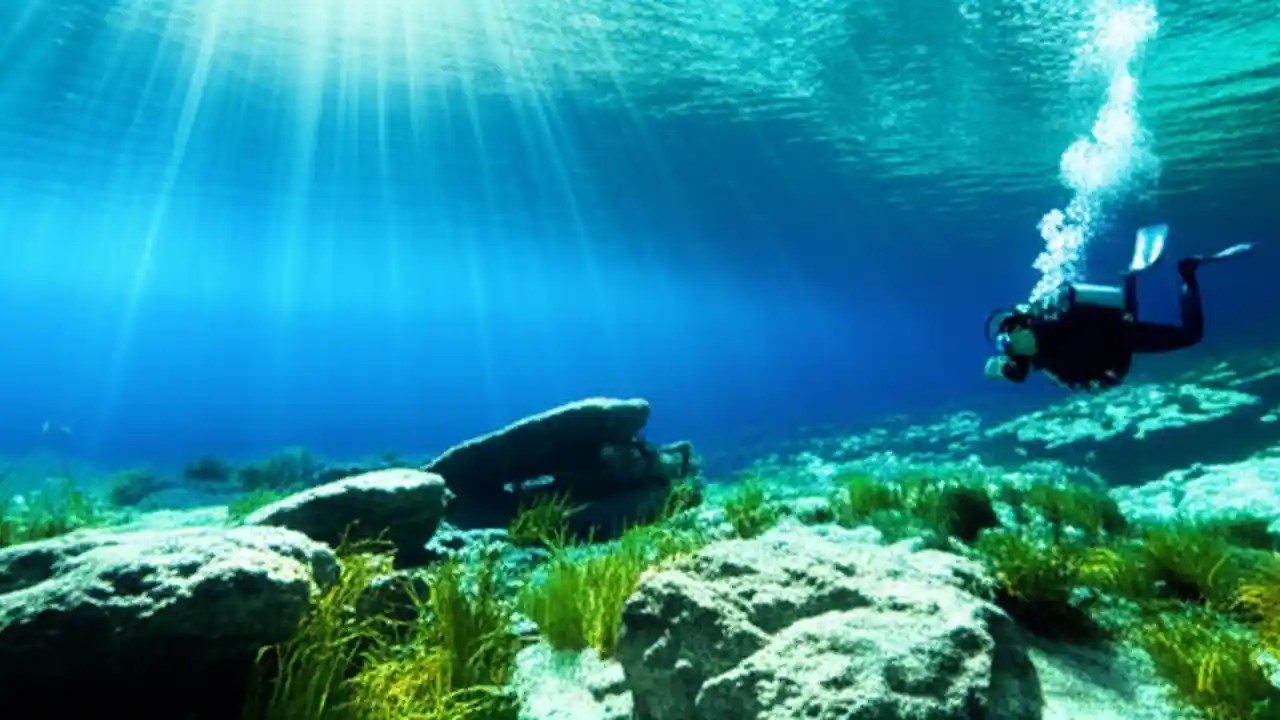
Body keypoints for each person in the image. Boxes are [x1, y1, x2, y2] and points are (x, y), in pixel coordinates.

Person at [984, 224, 1255, 391]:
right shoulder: (1028, 357)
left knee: (1189, 335)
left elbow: (1095, 320)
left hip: (1120, 332)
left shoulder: (1046, 319)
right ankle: (1140, 276)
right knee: (1157, 323)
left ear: (1019, 326)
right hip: (1118, 345)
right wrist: (996, 370)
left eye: (1008, 340)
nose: (1010, 348)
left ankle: (1180, 274)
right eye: (1006, 346)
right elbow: (1015, 373)